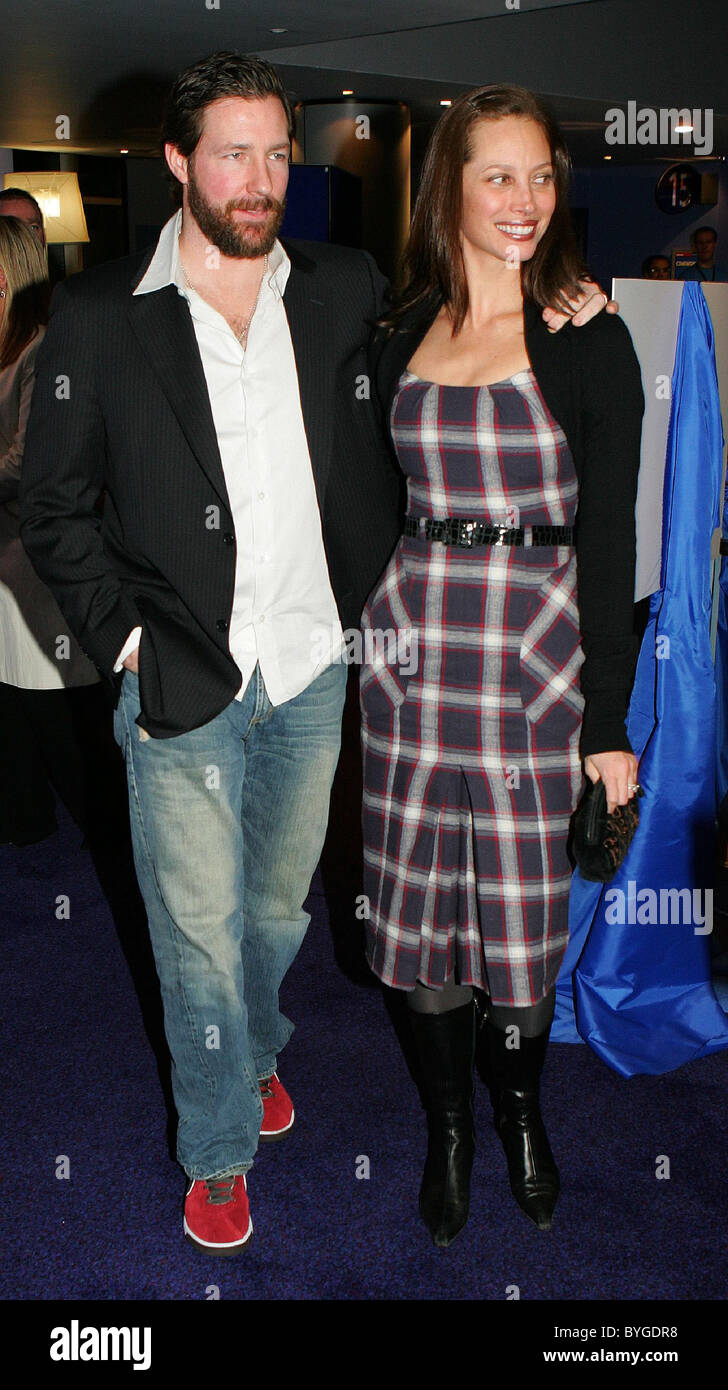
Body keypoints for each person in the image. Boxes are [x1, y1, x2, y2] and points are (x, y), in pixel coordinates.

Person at [20, 52, 613, 1258]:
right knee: (192, 926)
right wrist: (126, 638)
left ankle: (256, 1044)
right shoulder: (94, 317)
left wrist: (560, 292)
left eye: (276, 152)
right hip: (179, 677)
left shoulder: (350, 296)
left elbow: (461, 384)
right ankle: (220, 1148)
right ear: (178, 161)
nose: (257, 178)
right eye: (230, 152)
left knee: (274, 914)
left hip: (318, 669)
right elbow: (52, 507)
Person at [360, 85, 644, 1246]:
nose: (523, 200)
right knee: (416, 925)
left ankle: (518, 1114)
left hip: (534, 663)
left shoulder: (588, 337)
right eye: (496, 176)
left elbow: (612, 538)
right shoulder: (394, 331)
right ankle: (446, 1129)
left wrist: (608, 726)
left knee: (519, 939)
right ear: (450, 189)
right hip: (411, 660)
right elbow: (366, 506)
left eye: (539, 176)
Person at [0, 217, 98, 845]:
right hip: (6, 563)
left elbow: (28, 462)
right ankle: (24, 824)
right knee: (10, 706)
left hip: (33, 562)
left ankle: (110, 833)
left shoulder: (43, 349)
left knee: (60, 717)